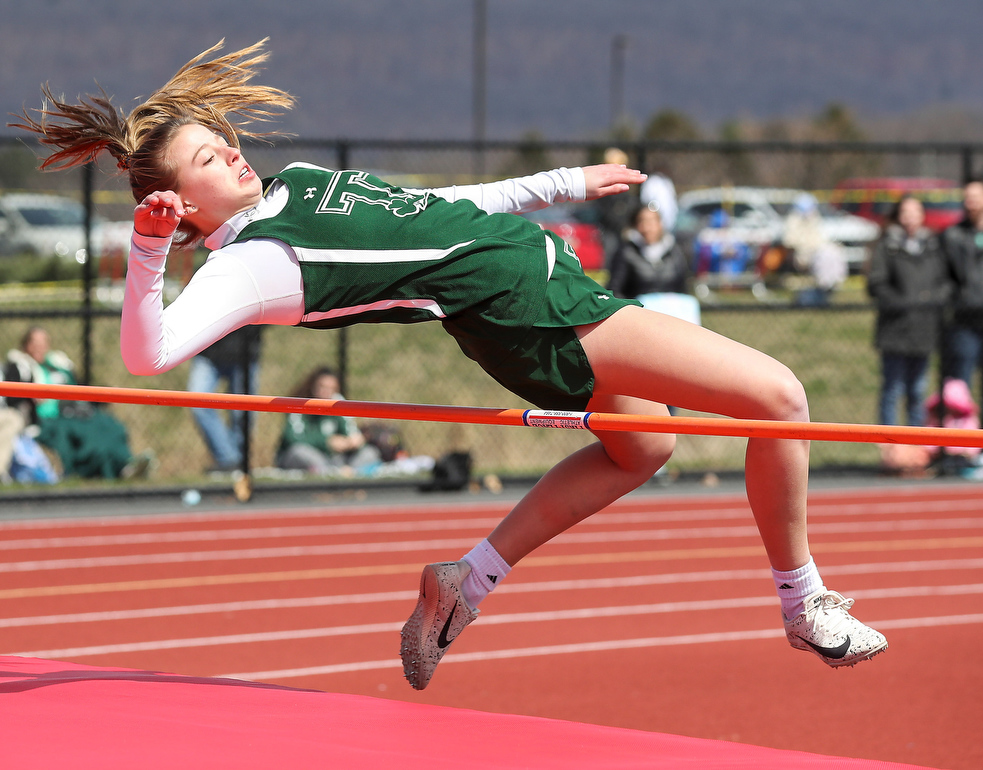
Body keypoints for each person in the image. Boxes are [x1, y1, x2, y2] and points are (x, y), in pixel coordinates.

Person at [13, 39, 887, 691]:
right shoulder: (250, 261)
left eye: (222, 140)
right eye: (208, 159)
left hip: (538, 282)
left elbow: (437, 207)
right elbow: (149, 352)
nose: (231, 153)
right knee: (779, 396)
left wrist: (560, 183)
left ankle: (466, 579)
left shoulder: (303, 184)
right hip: (530, 313)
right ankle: (802, 601)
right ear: (188, 205)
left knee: (644, 447)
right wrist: (148, 250)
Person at [3, 326, 153, 480]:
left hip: (77, 410)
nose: (39, 347)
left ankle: (125, 465)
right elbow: (14, 398)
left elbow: (81, 387)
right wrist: (31, 399)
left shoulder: (59, 364)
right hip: (51, 418)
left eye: (43, 343)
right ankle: (104, 469)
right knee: (85, 434)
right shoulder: (20, 367)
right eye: (34, 343)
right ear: (26, 345)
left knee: (109, 425)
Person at [866, 195, 950, 429]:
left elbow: (945, 282)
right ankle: (889, 445)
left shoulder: (932, 246)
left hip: (924, 328)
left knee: (917, 390)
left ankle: (917, 445)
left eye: (916, 212)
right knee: (892, 389)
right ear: (898, 216)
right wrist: (902, 302)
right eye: (905, 212)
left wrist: (932, 300)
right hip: (895, 329)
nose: (910, 218)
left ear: (923, 215)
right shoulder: (888, 246)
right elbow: (876, 284)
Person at [941, 178, 983, 478]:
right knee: (958, 392)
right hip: (964, 322)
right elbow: (944, 276)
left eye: (976, 196)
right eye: (966, 197)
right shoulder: (953, 235)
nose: (971, 202)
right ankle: (960, 450)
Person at [275, 366, 380, 476]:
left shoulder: (338, 403)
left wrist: (350, 442)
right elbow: (293, 438)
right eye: (322, 387)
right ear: (313, 386)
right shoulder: (300, 403)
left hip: (336, 458)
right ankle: (330, 474)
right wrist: (326, 442)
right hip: (313, 456)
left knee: (370, 453)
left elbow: (350, 431)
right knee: (299, 452)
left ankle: (347, 474)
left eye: (331, 388)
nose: (326, 392)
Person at [188, 325, 261, 473]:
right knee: (197, 402)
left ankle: (238, 463)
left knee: (242, 413)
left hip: (245, 352)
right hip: (207, 351)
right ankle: (230, 460)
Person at [607, 204, 689, 300]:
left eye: (651, 222)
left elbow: (683, 287)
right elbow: (615, 290)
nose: (647, 228)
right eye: (642, 222)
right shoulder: (627, 253)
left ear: (660, 224)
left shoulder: (674, 252)